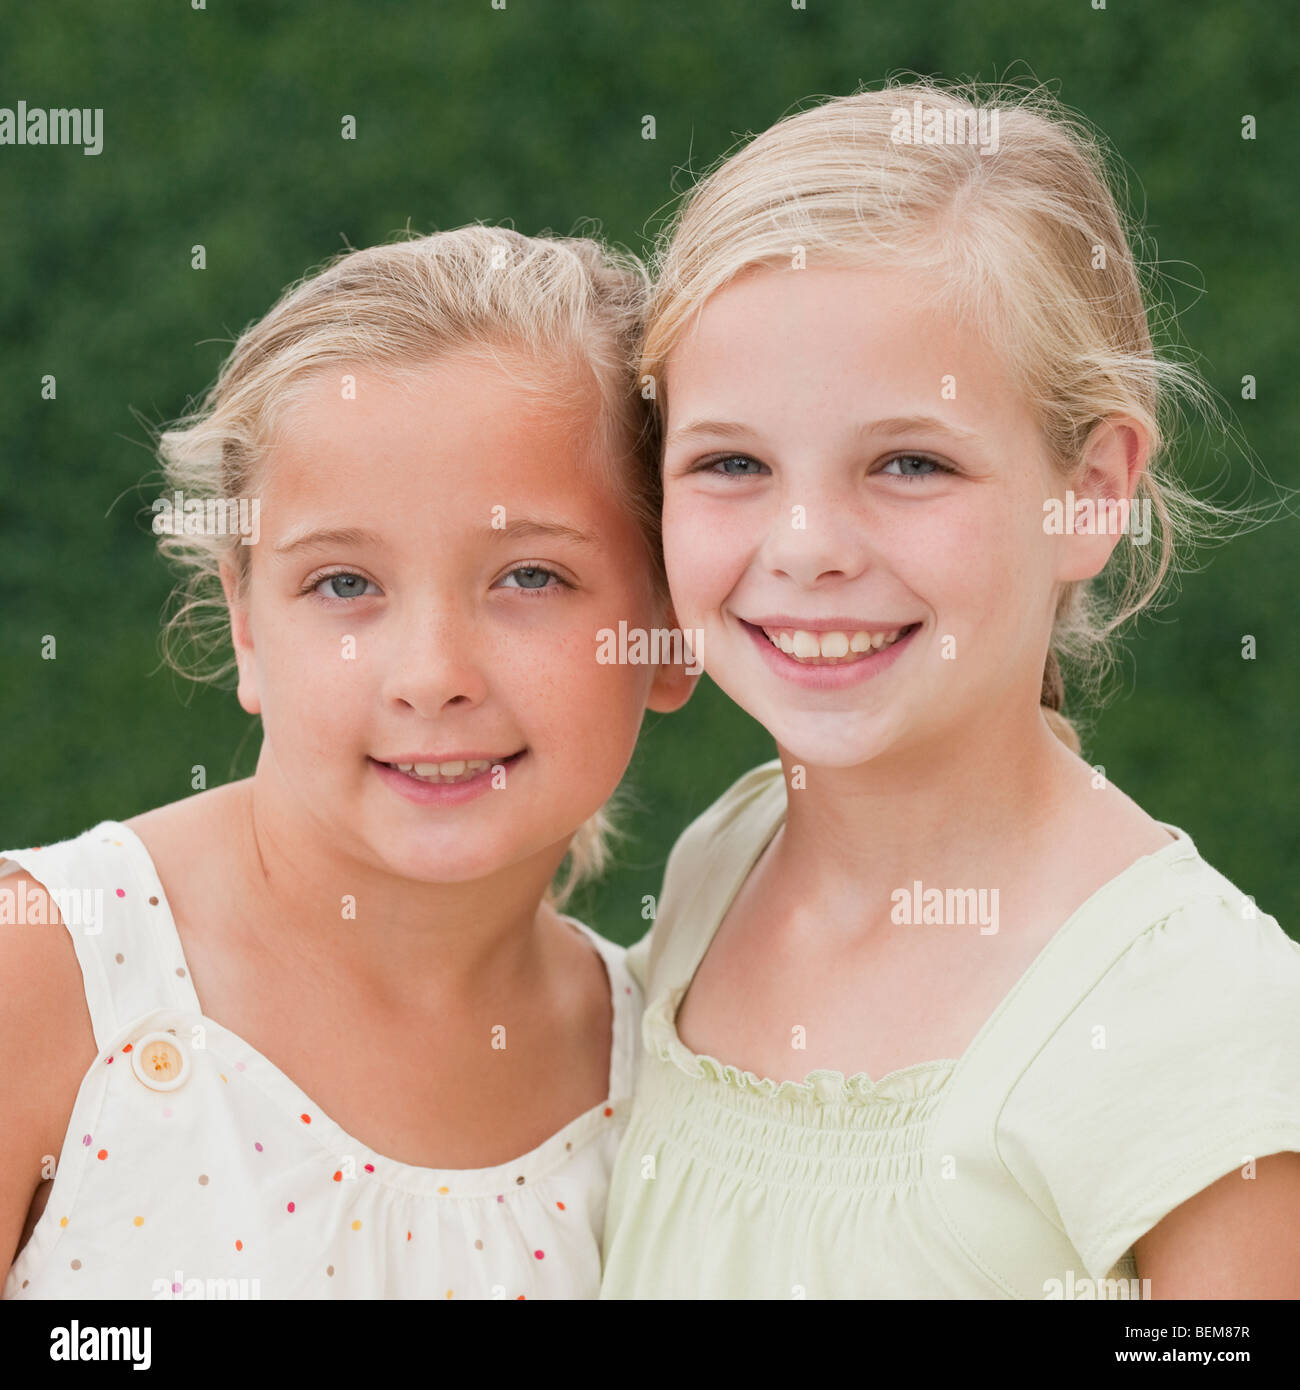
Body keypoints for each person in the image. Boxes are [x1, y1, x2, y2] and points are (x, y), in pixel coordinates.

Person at [600, 80, 1300, 1299]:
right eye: (731, 463)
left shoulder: (1194, 1025)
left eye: (910, 461)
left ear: (1089, 490)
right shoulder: (723, 864)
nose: (807, 543)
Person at [1, 225, 693, 1299]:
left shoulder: (670, 1072)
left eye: (529, 578)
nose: (431, 675)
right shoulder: (50, 971)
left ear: (672, 619)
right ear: (242, 623)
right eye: (343, 585)